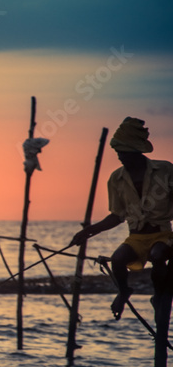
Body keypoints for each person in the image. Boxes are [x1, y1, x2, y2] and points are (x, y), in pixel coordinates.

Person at [70, 117, 173, 319]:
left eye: (123, 152)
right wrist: (87, 232)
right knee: (118, 259)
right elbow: (117, 216)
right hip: (136, 238)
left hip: (163, 235)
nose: (119, 157)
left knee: (158, 255)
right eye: (118, 152)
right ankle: (124, 291)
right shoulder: (116, 179)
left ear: (136, 151)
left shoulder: (165, 170)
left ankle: (159, 295)